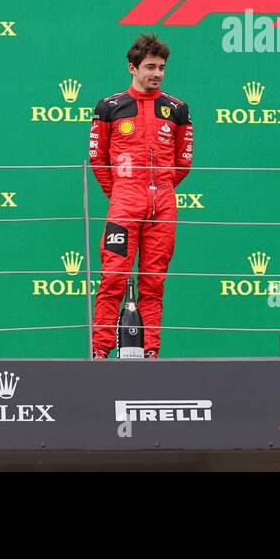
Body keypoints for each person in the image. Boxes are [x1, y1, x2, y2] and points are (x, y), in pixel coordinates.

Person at [88, 33, 193, 358]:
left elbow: (183, 163)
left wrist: (158, 190)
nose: (157, 74)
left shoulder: (177, 109)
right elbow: (98, 158)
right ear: (132, 68)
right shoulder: (109, 106)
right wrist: (122, 191)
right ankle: (99, 352)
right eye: (150, 67)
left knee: (153, 283)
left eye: (161, 68)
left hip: (163, 203)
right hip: (124, 201)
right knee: (113, 279)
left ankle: (151, 353)